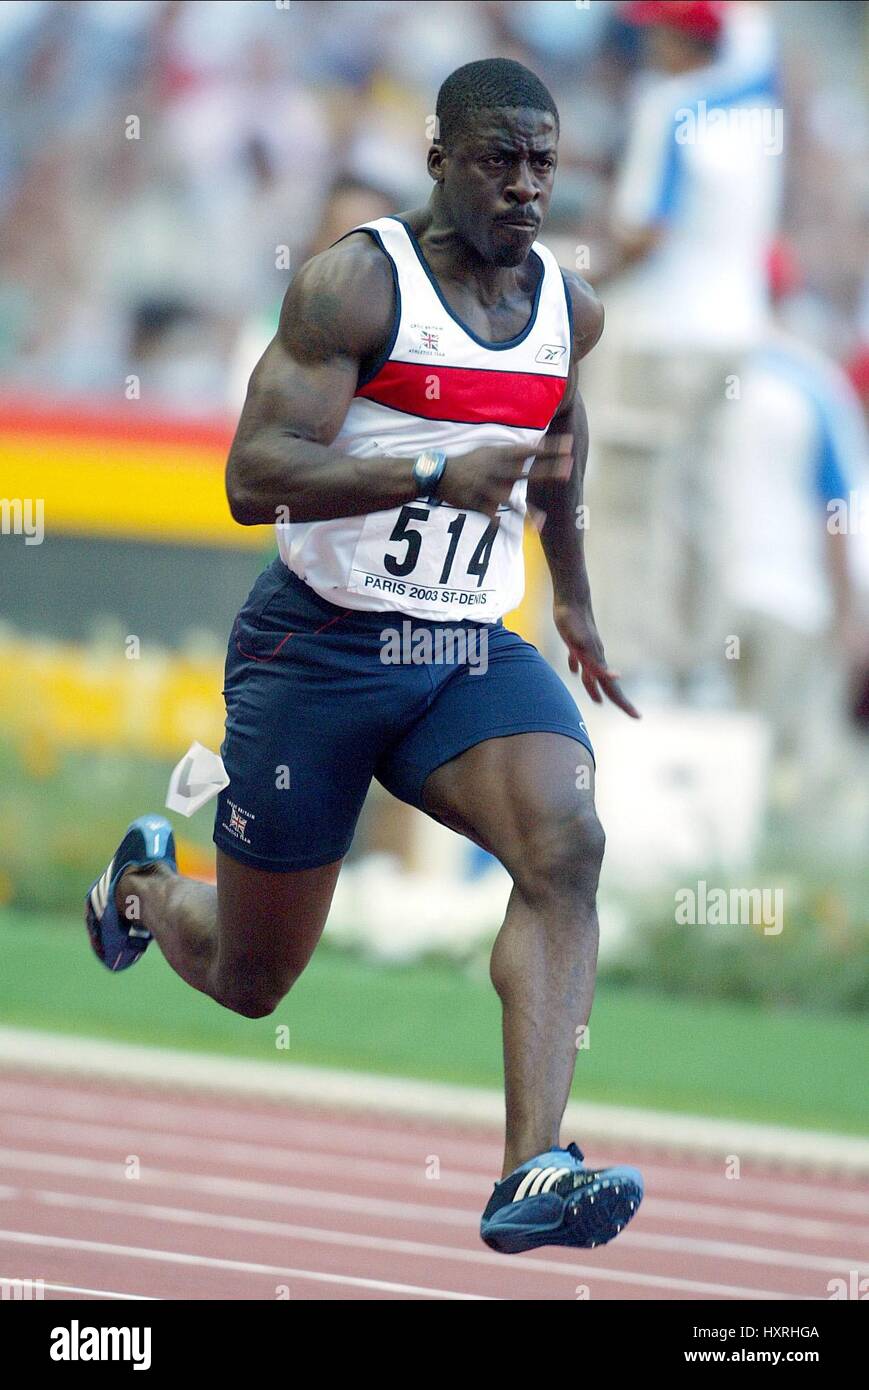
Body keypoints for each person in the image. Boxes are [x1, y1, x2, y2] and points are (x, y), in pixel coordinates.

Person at [85, 58, 643, 1255]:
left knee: (566, 840)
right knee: (252, 979)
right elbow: (251, 476)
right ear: (438, 157)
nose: (525, 187)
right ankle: (142, 880)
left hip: (459, 651)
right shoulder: (355, 286)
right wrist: (432, 468)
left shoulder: (566, 309)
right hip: (317, 650)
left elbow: (558, 439)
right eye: (498, 159)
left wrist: (579, 604)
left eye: (542, 163)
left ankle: (530, 1166)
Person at [582, 0, 781, 696]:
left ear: (675, 37)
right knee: (702, 501)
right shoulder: (757, 113)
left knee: (633, 504)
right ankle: (699, 666)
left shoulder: (668, 105)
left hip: (663, 334)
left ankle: (637, 667)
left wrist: (574, 278)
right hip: (735, 333)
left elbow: (644, 232)